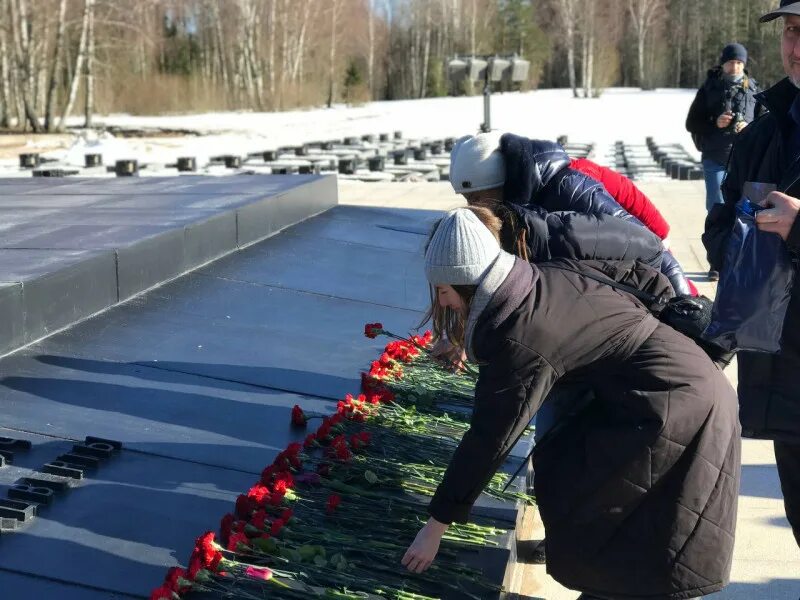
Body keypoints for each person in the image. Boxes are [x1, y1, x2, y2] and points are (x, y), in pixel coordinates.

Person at [401, 209, 741, 600]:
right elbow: (644, 277)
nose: (445, 302)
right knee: (615, 524)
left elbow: (489, 438)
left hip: (673, 409)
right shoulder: (548, 275)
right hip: (674, 390)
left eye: (444, 291)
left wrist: (436, 525)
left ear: (472, 283)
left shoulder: (521, 336)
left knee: (625, 523)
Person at [703, 0, 800, 550]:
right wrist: (736, 244)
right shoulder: (767, 129)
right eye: (791, 31)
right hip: (784, 372)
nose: (797, 48)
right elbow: (718, 224)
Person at [448, 131, 696, 297]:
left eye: (479, 198)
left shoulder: (571, 188)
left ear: (503, 183)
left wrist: (687, 305)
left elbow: (648, 247)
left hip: (647, 288)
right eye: (467, 199)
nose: (474, 207)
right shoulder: (523, 200)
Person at [686, 42, 762, 279]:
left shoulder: (755, 90)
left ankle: (739, 258)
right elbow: (691, 123)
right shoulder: (710, 88)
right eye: (731, 62)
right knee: (716, 207)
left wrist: (749, 127)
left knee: (744, 210)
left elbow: (767, 125)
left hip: (744, 160)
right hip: (715, 158)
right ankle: (717, 262)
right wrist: (714, 123)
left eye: (739, 62)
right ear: (723, 63)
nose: (735, 66)